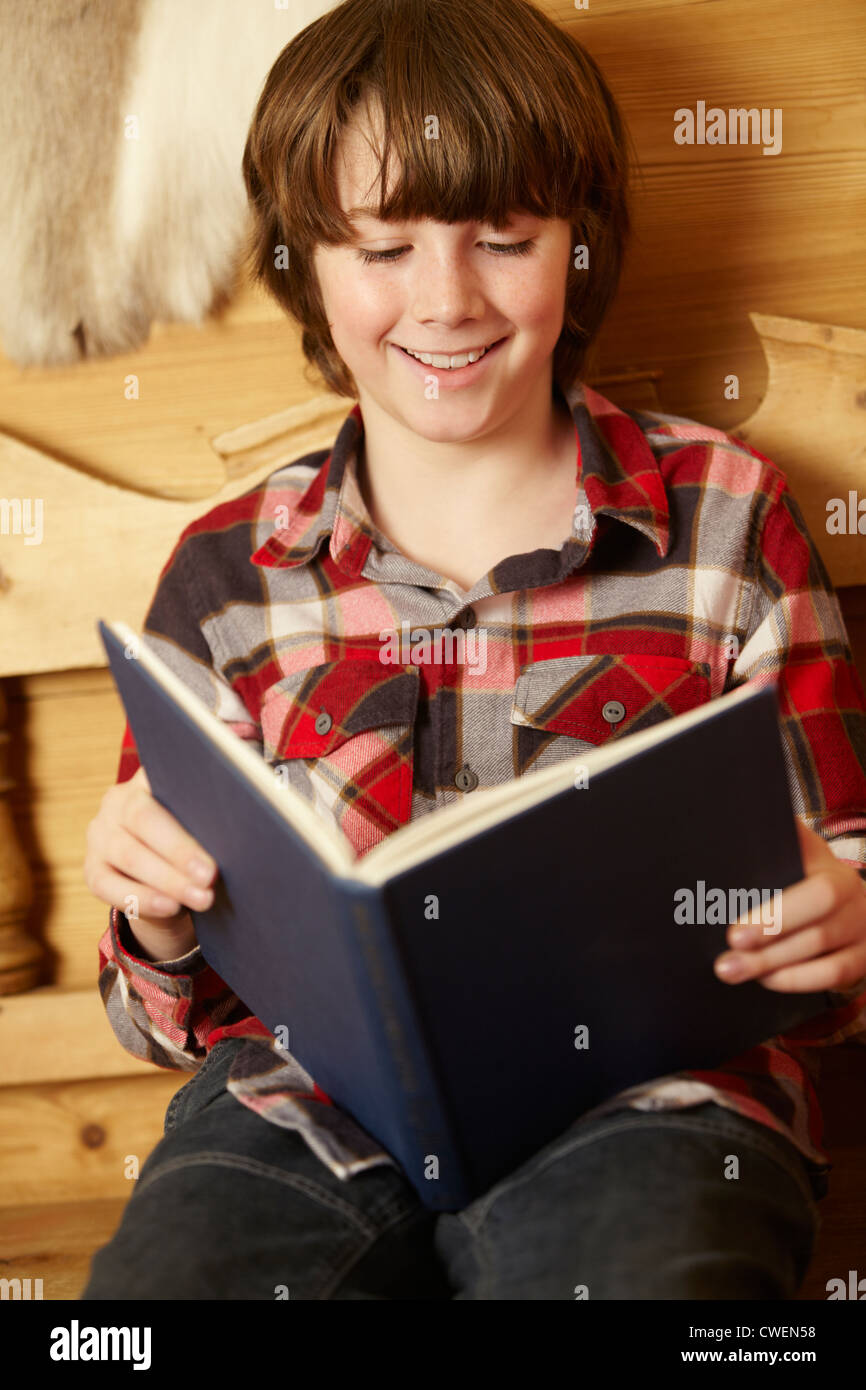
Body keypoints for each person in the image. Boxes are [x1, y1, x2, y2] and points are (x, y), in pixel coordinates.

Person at [81, 0, 866, 1300]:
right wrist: (153, 923)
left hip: (650, 1103)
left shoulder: (725, 514)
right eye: (381, 246)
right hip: (296, 1114)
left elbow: (838, 864)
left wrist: (844, 917)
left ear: (580, 248)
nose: (443, 301)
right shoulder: (228, 569)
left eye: (502, 240)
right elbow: (167, 1021)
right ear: (305, 267)